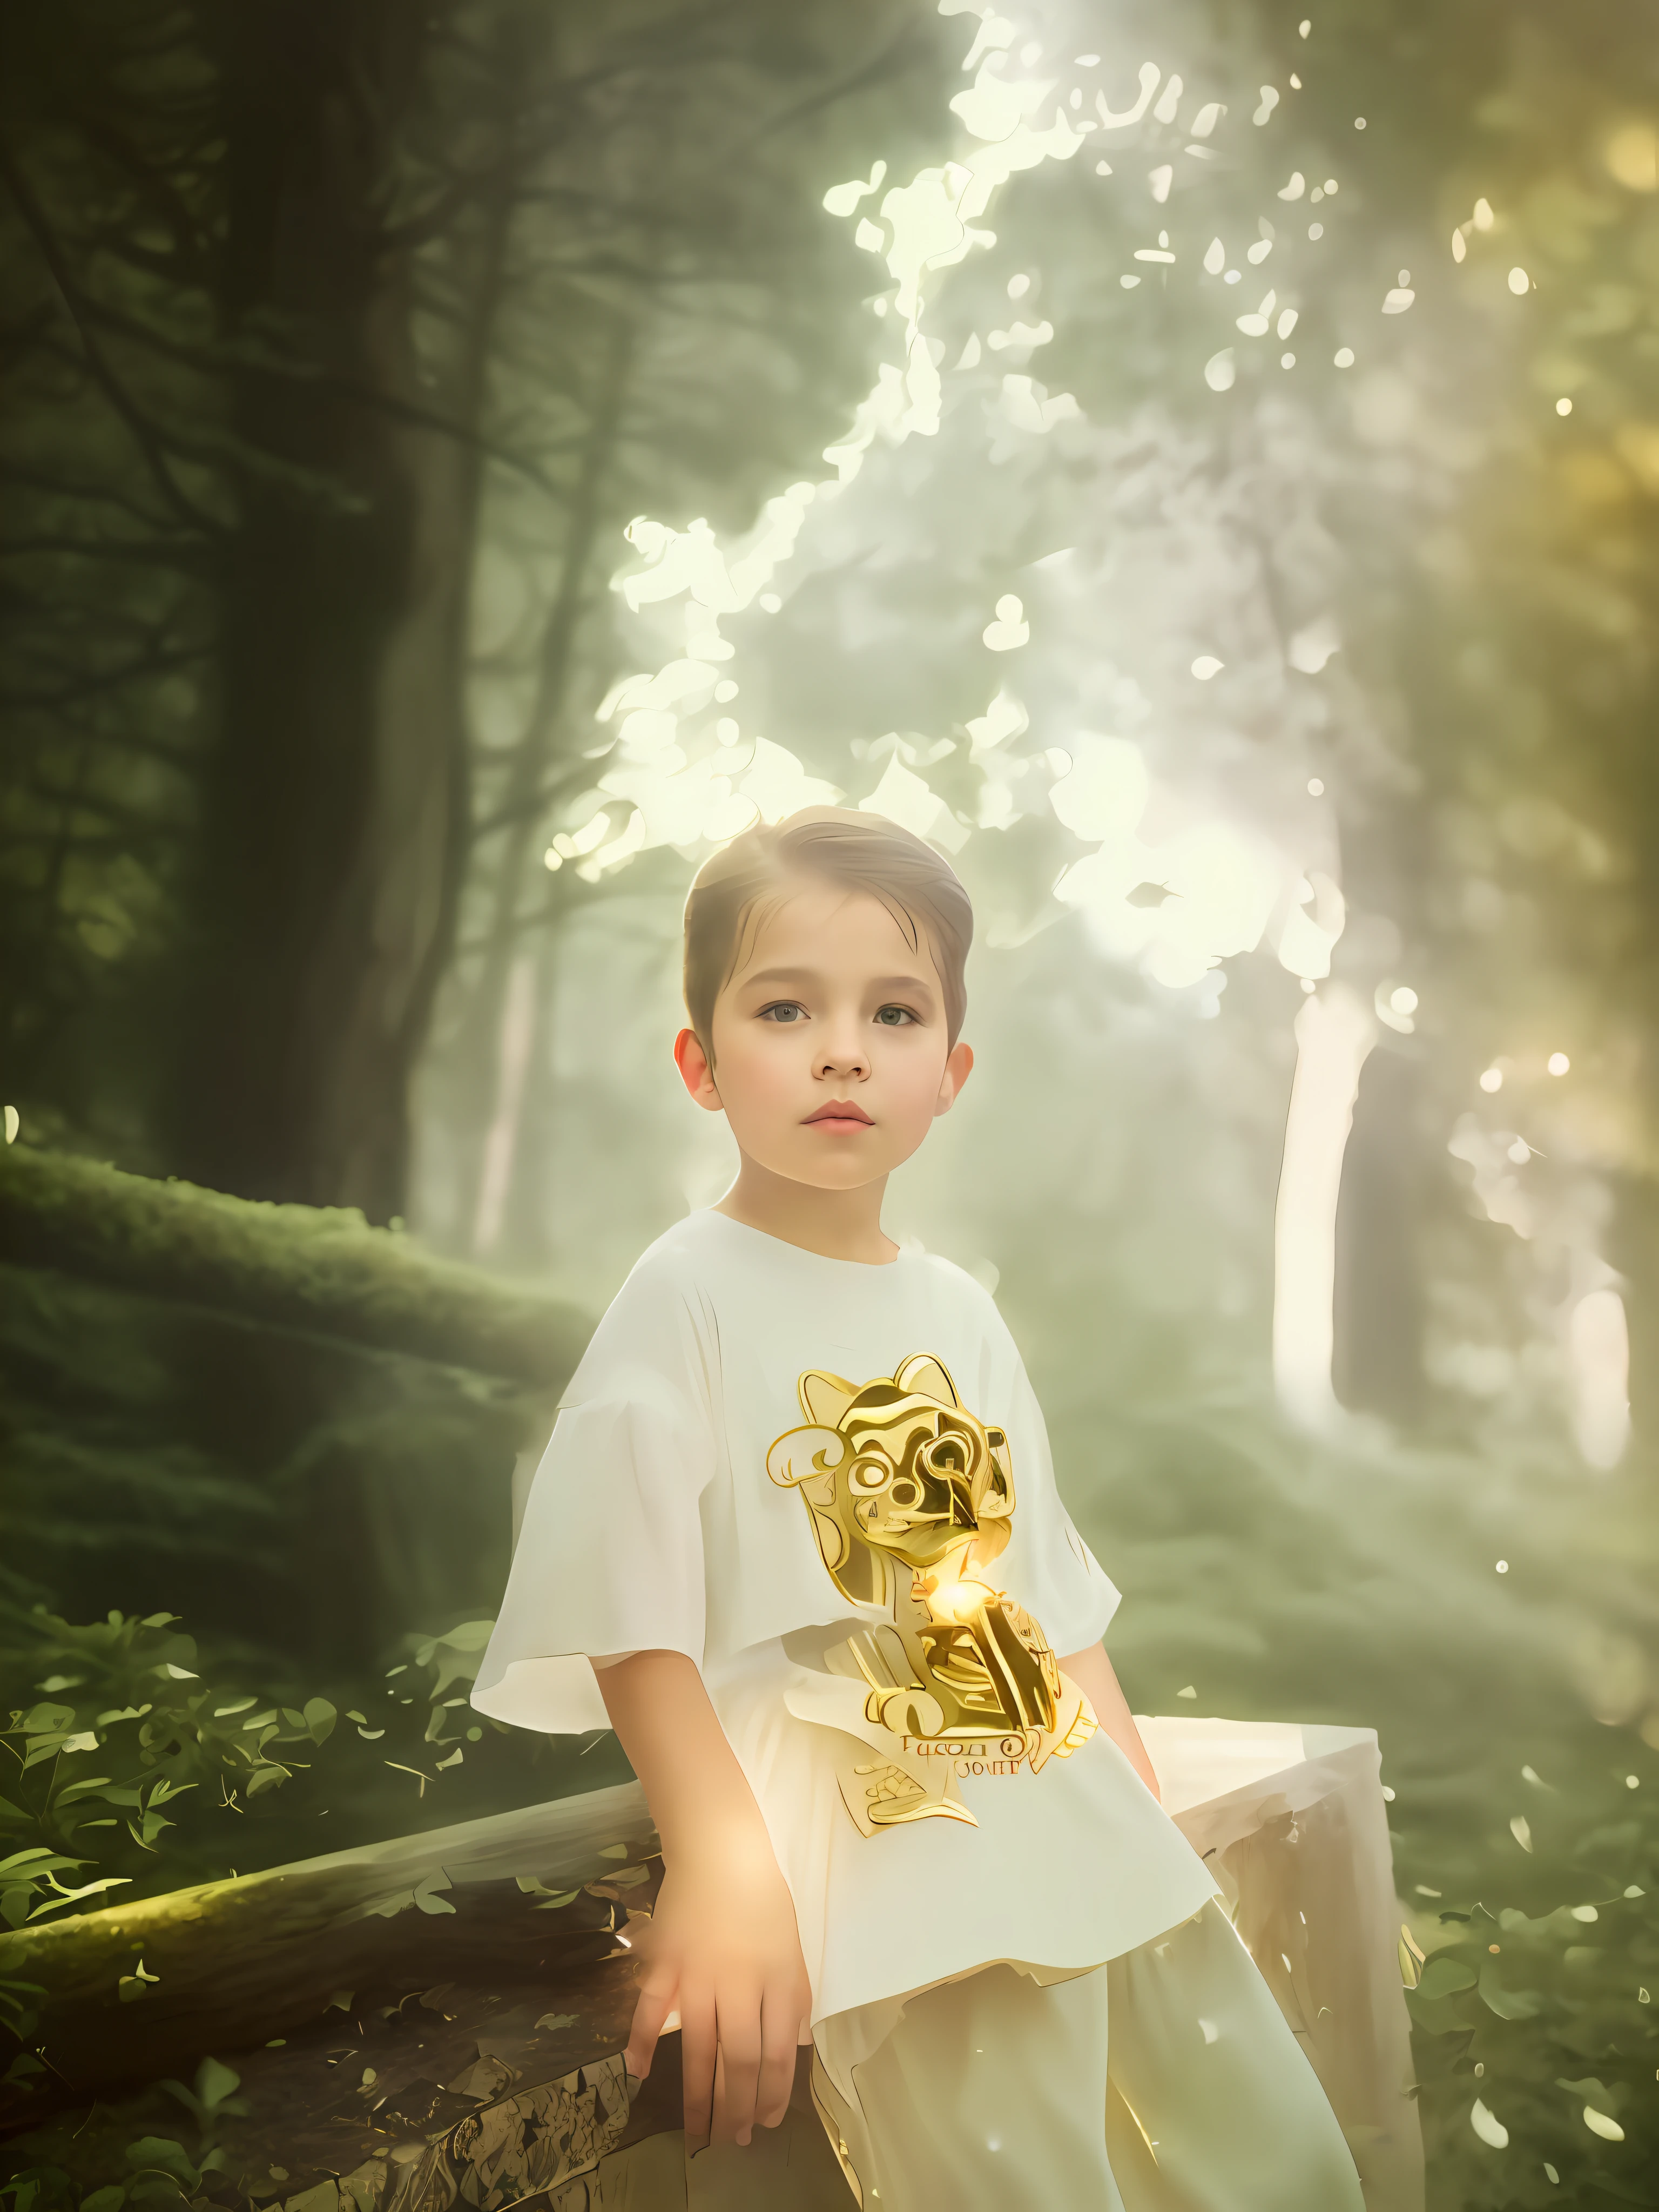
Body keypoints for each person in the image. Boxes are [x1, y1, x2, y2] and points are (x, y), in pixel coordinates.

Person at [472, 807, 1365, 2210]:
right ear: (701, 1062)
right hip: (863, 1812)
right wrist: (721, 1861)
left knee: (1232, 2150)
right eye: (787, 1006)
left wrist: (1147, 1830)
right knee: (999, 2155)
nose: (843, 1048)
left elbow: (1045, 1599)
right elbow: (628, 1606)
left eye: (892, 1013)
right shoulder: (686, 1294)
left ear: (948, 1072)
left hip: (1040, 1772)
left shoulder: (956, 1307)